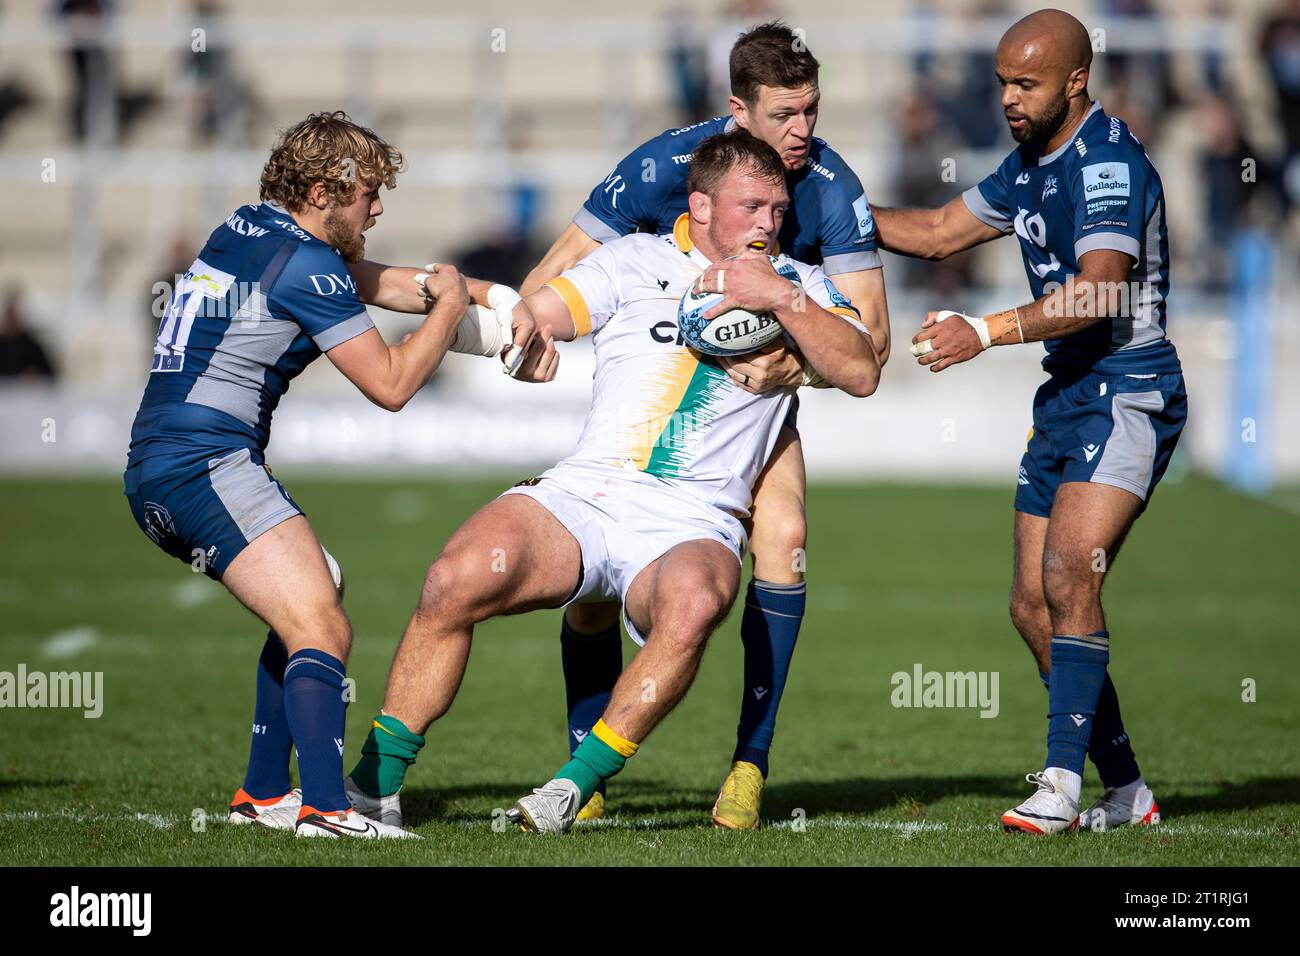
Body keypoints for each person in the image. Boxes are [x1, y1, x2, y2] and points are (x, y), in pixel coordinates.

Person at [344, 130, 879, 835]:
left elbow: (863, 370)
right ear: (701, 205)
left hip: (692, 517)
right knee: (456, 576)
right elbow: (539, 312)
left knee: (695, 603)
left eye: (778, 210)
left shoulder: (804, 286)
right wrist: (507, 332)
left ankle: (573, 787)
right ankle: (373, 783)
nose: (767, 224)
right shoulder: (633, 261)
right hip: (585, 494)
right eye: (751, 207)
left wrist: (781, 296)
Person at [123, 111, 535, 839]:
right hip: (202, 464)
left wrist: (486, 296)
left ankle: (260, 794)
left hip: (167, 461)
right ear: (321, 191)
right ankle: (327, 808)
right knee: (321, 624)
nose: (377, 207)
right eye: (367, 193)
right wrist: (449, 317)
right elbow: (394, 384)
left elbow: (382, 284)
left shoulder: (251, 227)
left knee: (318, 592)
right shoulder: (310, 266)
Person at [519, 19, 889, 829]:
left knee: (783, 536)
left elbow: (872, 341)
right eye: (785, 115)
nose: (804, 131)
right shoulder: (659, 165)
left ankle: (748, 768)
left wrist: (791, 367)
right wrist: (524, 335)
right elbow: (551, 274)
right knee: (588, 576)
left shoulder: (832, 185)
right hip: (652, 386)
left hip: (764, 394)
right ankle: (588, 767)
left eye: (812, 110)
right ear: (737, 111)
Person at [870, 9, 1186, 834]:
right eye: (1002, 82)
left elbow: (1099, 290)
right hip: (1065, 397)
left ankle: (1058, 784)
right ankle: (1129, 792)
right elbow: (940, 232)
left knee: (1069, 580)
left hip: (1126, 389)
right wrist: (834, 222)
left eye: (1026, 83)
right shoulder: (1027, 163)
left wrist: (982, 329)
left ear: (1075, 81)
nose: (1008, 98)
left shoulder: (1106, 161)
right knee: (1030, 605)